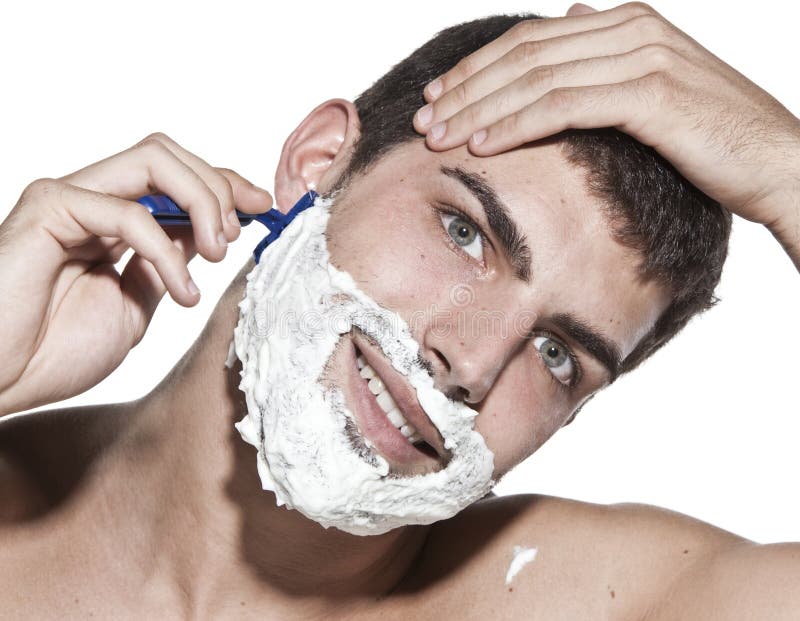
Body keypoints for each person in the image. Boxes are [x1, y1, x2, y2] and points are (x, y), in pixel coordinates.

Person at [1, 2, 798, 618]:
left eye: (558, 353)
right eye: (465, 232)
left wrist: (787, 171)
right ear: (320, 165)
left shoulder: (573, 600)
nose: (474, 362)